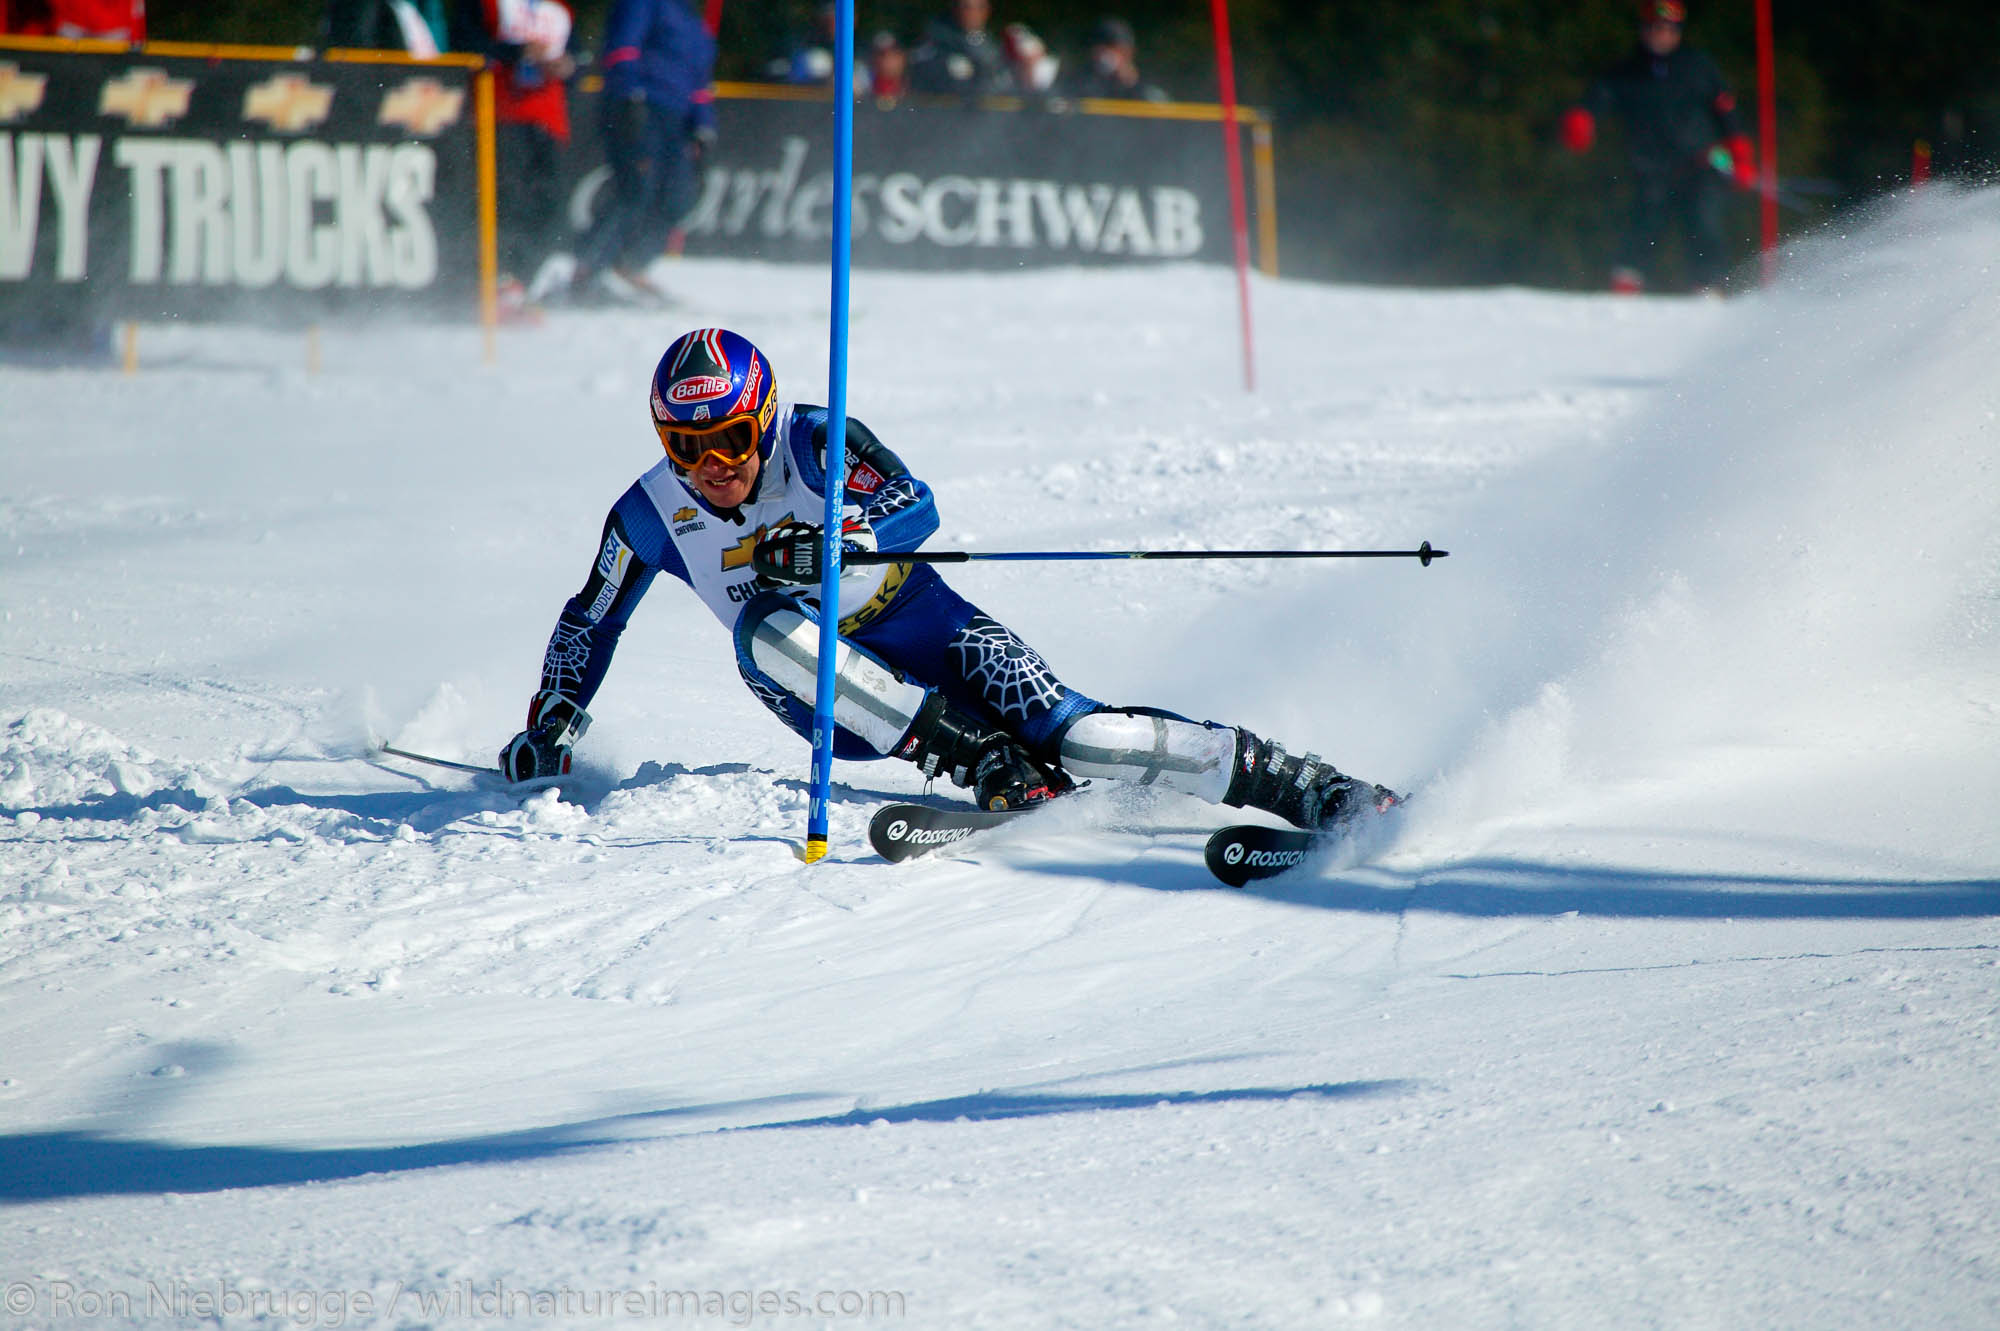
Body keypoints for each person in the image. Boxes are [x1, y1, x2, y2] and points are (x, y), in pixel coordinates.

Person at [499, 329, 1403, 837]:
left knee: (1087, 737)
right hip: (823, 693)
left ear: (761, 419)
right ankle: (980, 761)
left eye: (730, 439)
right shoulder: (653, 511)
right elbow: (591, 619)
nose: (713, 466)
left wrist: (838, 538)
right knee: (767, 629)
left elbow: (915, 503)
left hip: (924, 619)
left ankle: (1302, 786)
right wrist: (553, 718)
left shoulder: (816, 439)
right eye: (686, 446)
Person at [1559, 0, 1755, 293]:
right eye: (1655, 28)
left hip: (1700, 164)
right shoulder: (1626, 72)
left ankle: (1709, 287)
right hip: (1652, 167)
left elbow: (1725, 110)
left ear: (1678, 31)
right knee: (1646, 222)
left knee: (1703, 223)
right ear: (1643, 30)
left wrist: (1739, 152)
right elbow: (1598, 99)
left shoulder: (1697, 66)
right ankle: (1627, 283)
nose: (1661, 35)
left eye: (1668, 29)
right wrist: (1582, 118)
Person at [566, 0, 716, 306]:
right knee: (635, 189)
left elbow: (700, 80)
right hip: (641, 106)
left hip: (678, 120)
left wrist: (703, 123)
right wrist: (628, 99)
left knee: (679, 196)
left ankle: (631, 264)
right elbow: (623, 47)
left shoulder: (694, 22)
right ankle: (585, 271)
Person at [448, 0, 576, 313]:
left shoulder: (560, 10)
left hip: (548, 120)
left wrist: (568, 68)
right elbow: (463, 45)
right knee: (506, 202)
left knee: (549, 204)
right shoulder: (489, 5)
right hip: (498, 115)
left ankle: (521, 281)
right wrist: (516, 52)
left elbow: (576, 60)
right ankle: (493, 281)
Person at [906, 0, 1012, 99]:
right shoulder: (935, 39)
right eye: (966, 7)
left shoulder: (992, 45)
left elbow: (1005, 84)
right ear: (955, 10)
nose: (972, 13)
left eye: (980, 8)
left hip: (987, 111)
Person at [1063, 17, 1167, 103]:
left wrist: (1128, 81)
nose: (1102, 55)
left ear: (1128, 51)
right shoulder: (1082, 83)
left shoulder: (1147, 90)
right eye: (1098, 50)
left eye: (1111, 48)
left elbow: (1164, 117)